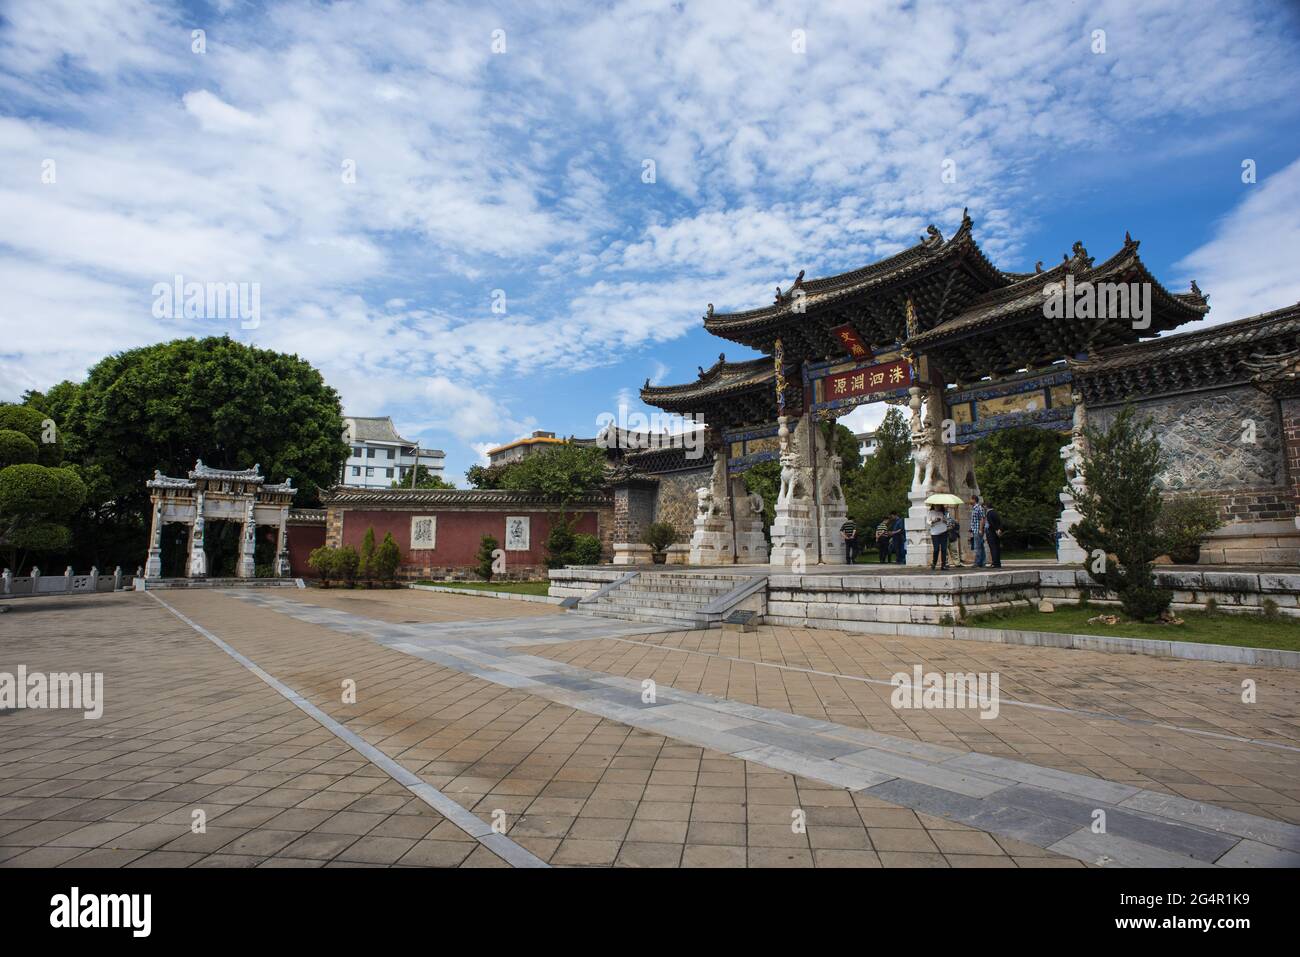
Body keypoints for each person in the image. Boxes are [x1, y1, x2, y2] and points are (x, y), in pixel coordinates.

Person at [927, 504, 950, 570]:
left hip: (943, 531)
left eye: (939, 506)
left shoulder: (944, 512)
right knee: (936, 549)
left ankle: (943, 565)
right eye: (936, 505)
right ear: (933, 506)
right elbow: (928, 522)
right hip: (934, 533)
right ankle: (934, 563)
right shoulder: (930, 512)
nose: (937, 507)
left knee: (944, 549)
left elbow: (949, 521)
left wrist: (945, 520)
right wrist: (934, 521)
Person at [969, 495, 987, 567]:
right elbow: (975, 520)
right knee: (981, 546)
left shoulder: (978, 508)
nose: (969, 501)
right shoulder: (974, 508)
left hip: (978, 530)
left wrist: (980, 529)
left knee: (977, 547)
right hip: (975, 529)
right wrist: (971, 528)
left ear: (974, 500)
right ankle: (982, 562)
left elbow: (982, 519)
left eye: (970, 499)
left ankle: (977, 562)